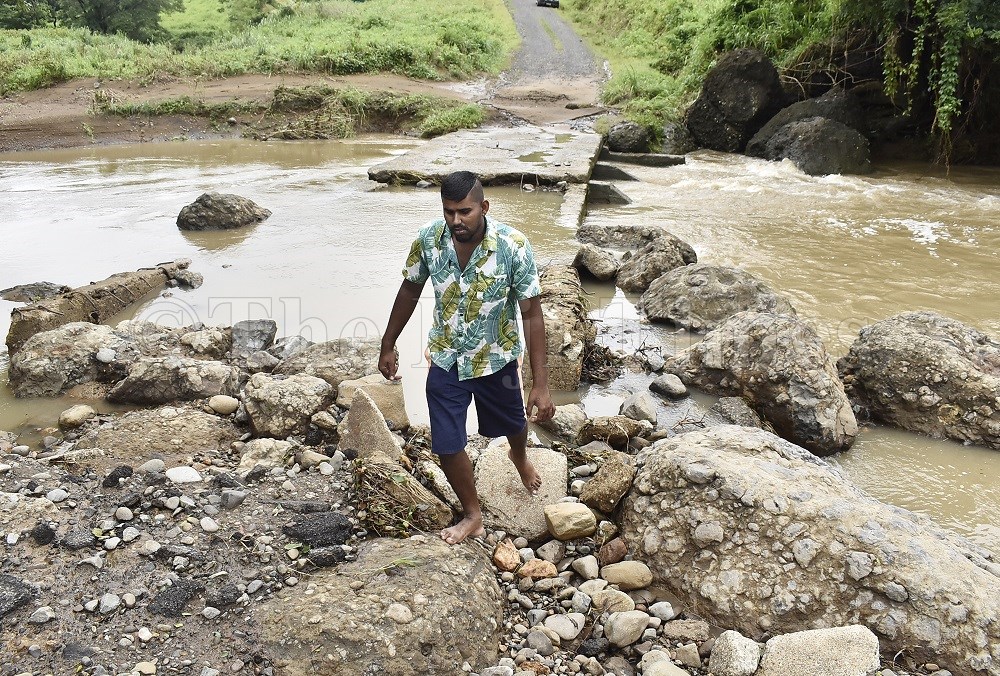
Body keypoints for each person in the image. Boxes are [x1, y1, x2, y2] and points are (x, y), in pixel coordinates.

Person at [379, 170, 556, 545]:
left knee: (514, 421)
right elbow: (410, 290)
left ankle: (519, 456)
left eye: (465, 212)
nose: (456, 221)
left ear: (484, 207)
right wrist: (388, 343)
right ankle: (472, 514)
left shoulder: (514, 246)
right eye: (449, 212)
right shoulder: (429, 240)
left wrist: (541, 384)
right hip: (446, 357)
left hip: (498, 359)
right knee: (446, 442)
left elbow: (531, 313)